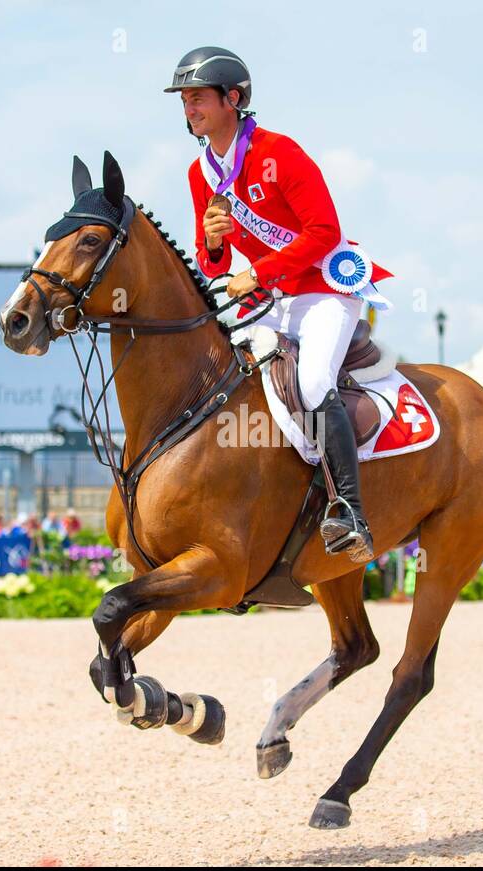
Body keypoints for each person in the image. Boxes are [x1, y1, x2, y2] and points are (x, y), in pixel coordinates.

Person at [169, 46, 393, 563]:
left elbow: (324, 232)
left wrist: (257, 272)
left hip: (324, 291)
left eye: (198, 98)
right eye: (184, 100)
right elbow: (209, 261)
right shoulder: (200, 173)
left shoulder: (279, 152)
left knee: (312, 383)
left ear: (232, 98)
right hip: (272, 298)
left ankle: (350, 511)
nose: (189, 108)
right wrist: (216, 243)